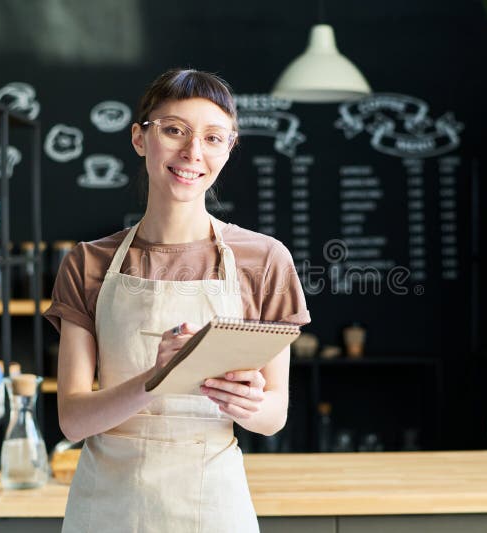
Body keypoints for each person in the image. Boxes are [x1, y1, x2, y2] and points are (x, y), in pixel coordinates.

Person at [44, 68, 311, 532]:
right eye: (174, 130)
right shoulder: (87, 263)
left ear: (229, 151)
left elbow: (275, 415)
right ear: (139, 138)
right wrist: (156, 377)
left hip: (211, 504)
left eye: (213, 138)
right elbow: (72, 419)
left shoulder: (265, 259)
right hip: (108, 507)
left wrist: (246, 403)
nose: (193, 153)